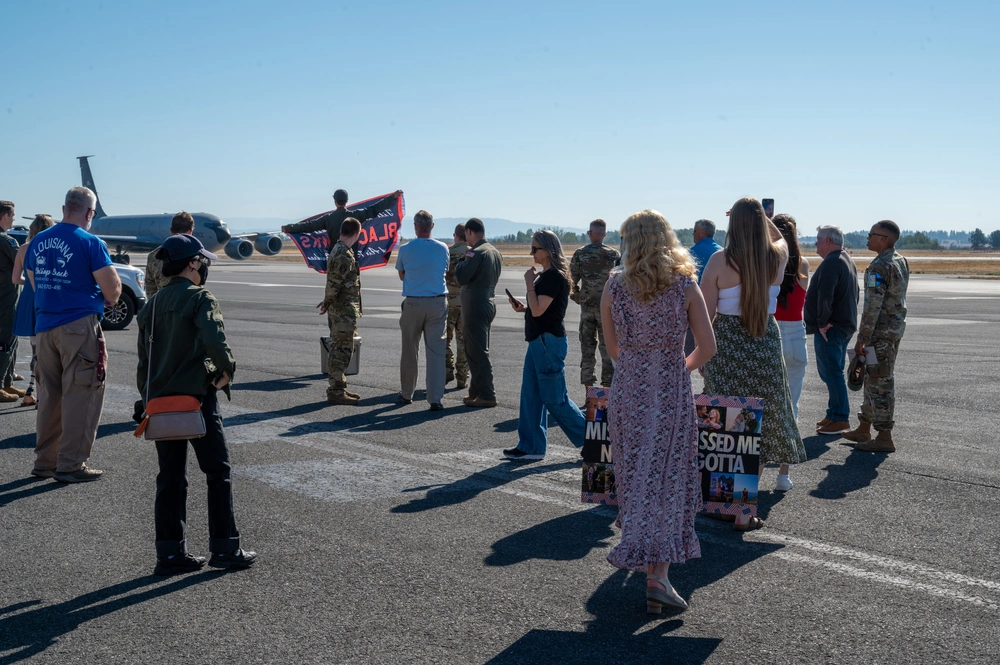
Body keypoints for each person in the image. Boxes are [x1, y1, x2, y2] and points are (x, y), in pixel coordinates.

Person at [601, 209, 716, 614]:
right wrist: (676, 367)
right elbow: (708, 346)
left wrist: (637, 365)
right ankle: (658, 576)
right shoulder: (684, 285)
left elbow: (612, 347)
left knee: (636, 476)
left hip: (628, 387)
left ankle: (647, 561)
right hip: (669, 388)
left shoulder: (614, 287)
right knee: (668, 478)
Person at [137, 234, 256, 574]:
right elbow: (216, 342)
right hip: (198, 399)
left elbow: (144, 363)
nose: (204, 266)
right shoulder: (200, 297)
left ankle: (170, 553)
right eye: (201, 260)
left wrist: (147, 401)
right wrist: (226, 372)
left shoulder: (152, 305)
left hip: (161, 403)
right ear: (191, 263)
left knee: (170, 478)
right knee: (218, 472)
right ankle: (224, 547)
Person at [701, 197, 805, 508]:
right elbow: (781, 239)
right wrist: (762, 218)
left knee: (724, 418)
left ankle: (723, 494)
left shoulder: (721, 260)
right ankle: (747, 494)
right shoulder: (777, 257)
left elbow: (705, 316)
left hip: (728, 342)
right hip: (765, 341)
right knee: (763, 418)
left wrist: (702, 356)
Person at [26, 187, 121, 482]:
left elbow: (33, 283)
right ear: (89, 213)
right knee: (82, 393)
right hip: (78, 325)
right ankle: (71, 464)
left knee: (50, 396)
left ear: (65, 207)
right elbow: (113, 291)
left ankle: (45, 461)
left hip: (44, 327)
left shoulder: (39, 240)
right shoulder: (90, 242)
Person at [503, 230, 586, 460]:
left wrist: (529, 284)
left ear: (548, 251)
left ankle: (591, 441)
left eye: (535, 249)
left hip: (547, 342)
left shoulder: (553, 277)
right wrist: (525, 308)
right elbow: (540, 309)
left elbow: (540, 309)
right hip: (538, 341)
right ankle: (531, 446)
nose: (531, 253)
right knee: (531, 395)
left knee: (554, 398)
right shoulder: (546, 276)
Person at [843, 221, 910, 453]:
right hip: (892, 331)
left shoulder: (879, 267)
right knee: (871, 379)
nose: (868, 239)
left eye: (871, 235)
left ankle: (884, 436)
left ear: (884, 239)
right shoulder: (900, 261)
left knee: (880, 383)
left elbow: (873, 306)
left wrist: (862, 338)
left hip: (879, 335)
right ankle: (864, 427)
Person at [804, 225, 859, 434]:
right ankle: (833, 412)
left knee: (832, 372)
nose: (815, 243)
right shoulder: (845, 259)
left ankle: (840, 417)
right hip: (842, 325)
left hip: (832, 327)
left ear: (828, 241)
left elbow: (825, 295)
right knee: (831, 371)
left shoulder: (832, 262)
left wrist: (821, 322)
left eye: (818, 239)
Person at [395, 210, 449, 410]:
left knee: (410, 349)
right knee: (436, 352)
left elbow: (402, 275)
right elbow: (444, 270)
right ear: (432, 226)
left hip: (414, 302)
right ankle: (435, 398)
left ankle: (407, 393)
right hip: (436, 302)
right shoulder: (443, 248)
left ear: (416, 227)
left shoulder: (406, 248)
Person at [454, 218, 502, 408]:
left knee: (477, 350)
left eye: (467, 234)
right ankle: (475, 391)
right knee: (476, 347)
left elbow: (461, 277)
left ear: (470, 232)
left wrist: (461, 261)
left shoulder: (476, 252)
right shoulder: (494, 251)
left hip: (475, 303)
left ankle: (487, 394)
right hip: (488, 300)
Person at [570, 219, 620, 389]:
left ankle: (589, 391)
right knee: (608, 351)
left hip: (587, 310)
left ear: (590, 234)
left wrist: (579, 297)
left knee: (587, 350)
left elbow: (570, 281)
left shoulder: (580, 254)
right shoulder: (613, 255)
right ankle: (606, 392)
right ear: (604, 234)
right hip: (607, 311)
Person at [12, 214, 56, 407]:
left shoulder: (23, 249)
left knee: (35, 349)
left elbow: (15, 279)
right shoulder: (50, 249)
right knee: (45, 352)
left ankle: (31, 392)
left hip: (29, 298)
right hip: (46, 297)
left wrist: (28, 285)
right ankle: (39, 395)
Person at [319, 218, 364, 405]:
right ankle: (336, 390)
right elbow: (335, 283)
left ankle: (339, 387)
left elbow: (333, 282)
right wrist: (327, 301)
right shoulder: (344, 254)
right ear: (357, 233)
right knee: (341, 350)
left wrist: (328, 301)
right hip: (343, 309)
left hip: (342, 308)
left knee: (342, 348)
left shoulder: (339, 250)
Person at [772, 214, 810, 420]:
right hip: (796, 333)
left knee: (768, 399)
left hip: (772, 330)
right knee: (792, 401)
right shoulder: (802, 264)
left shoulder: (768, 262)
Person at [685, 219, 722, 355]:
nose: (693, 234)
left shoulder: (690, 255)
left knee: (688, 348)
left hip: (693, 306)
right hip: (718, 307)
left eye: (694, 231)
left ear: (701, 232)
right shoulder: (722, 253)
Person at [0, 200, 24, 402]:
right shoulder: (6, 241)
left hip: (5, 297)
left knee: (11, 340)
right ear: (4, 216)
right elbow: (21, 261)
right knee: (5, 341)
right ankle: (1, 384)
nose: (14, 219)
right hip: (6, 298)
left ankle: (7, 382)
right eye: (12, 215)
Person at [145, 211, 196, 298]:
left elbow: (150, 289)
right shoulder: (196, 256)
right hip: (188, 307)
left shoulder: (154, 255)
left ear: (171, 230)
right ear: (191, 231)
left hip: (162, 307)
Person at [445, 223, 469, 389]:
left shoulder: (448, 252)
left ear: (456, 235)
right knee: (463, 342)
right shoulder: (472, 253)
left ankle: (447, 370)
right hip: (466, 302)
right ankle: (462, 377)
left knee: (444, 340)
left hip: (449, 302)